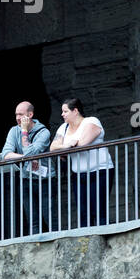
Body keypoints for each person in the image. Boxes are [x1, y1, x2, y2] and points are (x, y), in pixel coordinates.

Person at [50, 96, 114, 228]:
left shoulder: (91, 121)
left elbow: (83, 143)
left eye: (65, 111)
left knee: (98, 209)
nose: (62, 114)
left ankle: (103, 239)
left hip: (100, 171)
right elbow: (52, 148)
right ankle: (87, 242)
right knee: (84, 212)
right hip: (79, 175)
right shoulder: (64, 128)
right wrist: (67, 145)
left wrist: (66, 148)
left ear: (75, 111)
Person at [1, 101, 56, 236]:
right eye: (16, 115)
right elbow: (6, 154)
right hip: (26, 178)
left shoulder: (44, 132)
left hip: (46, 179)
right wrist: (25, 158)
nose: (17, 118)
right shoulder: (14, 131)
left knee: (49, 216)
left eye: (21, 114)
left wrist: (24, 132)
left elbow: (31, 152)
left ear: (30, 115)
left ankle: (57, 242)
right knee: (32, 219)